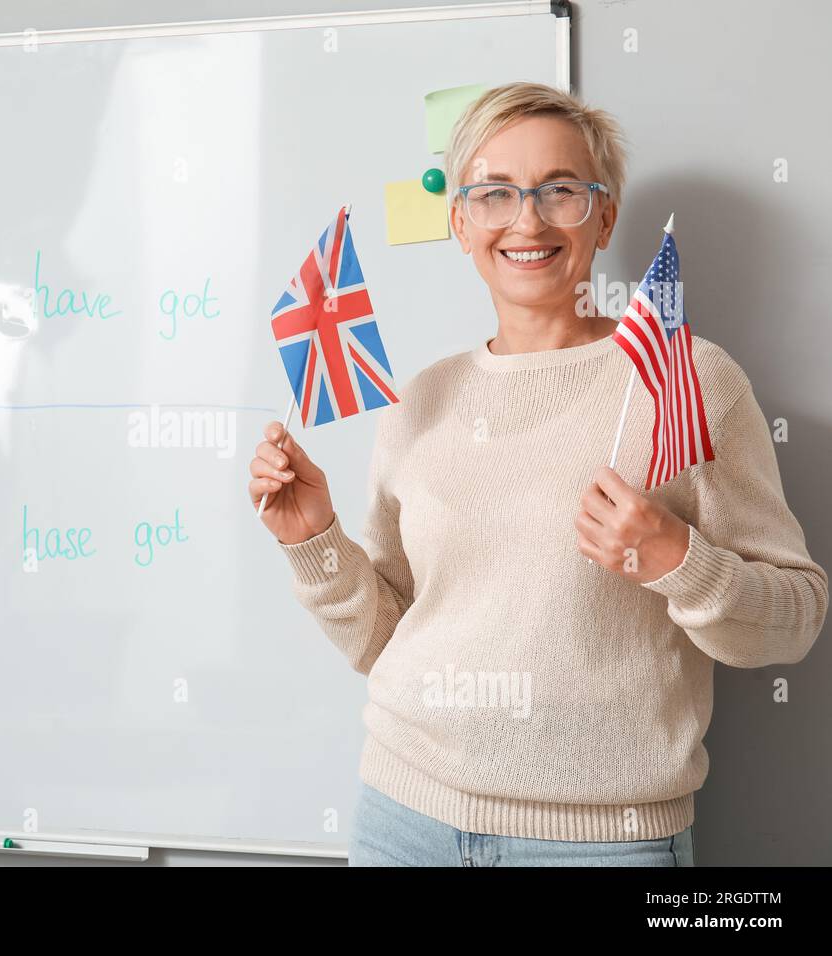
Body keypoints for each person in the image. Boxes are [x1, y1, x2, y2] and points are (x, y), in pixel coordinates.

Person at [247, 82, 828, 867]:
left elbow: (795, 620)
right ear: (460, 222)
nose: (527, 220)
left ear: (605, 215)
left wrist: (676, 560)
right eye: (494, 193)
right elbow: (386, 638)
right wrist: (313, 539)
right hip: (401, 816)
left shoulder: (687, 380)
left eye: (560, 191)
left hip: (600, 844)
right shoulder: (421, 399)